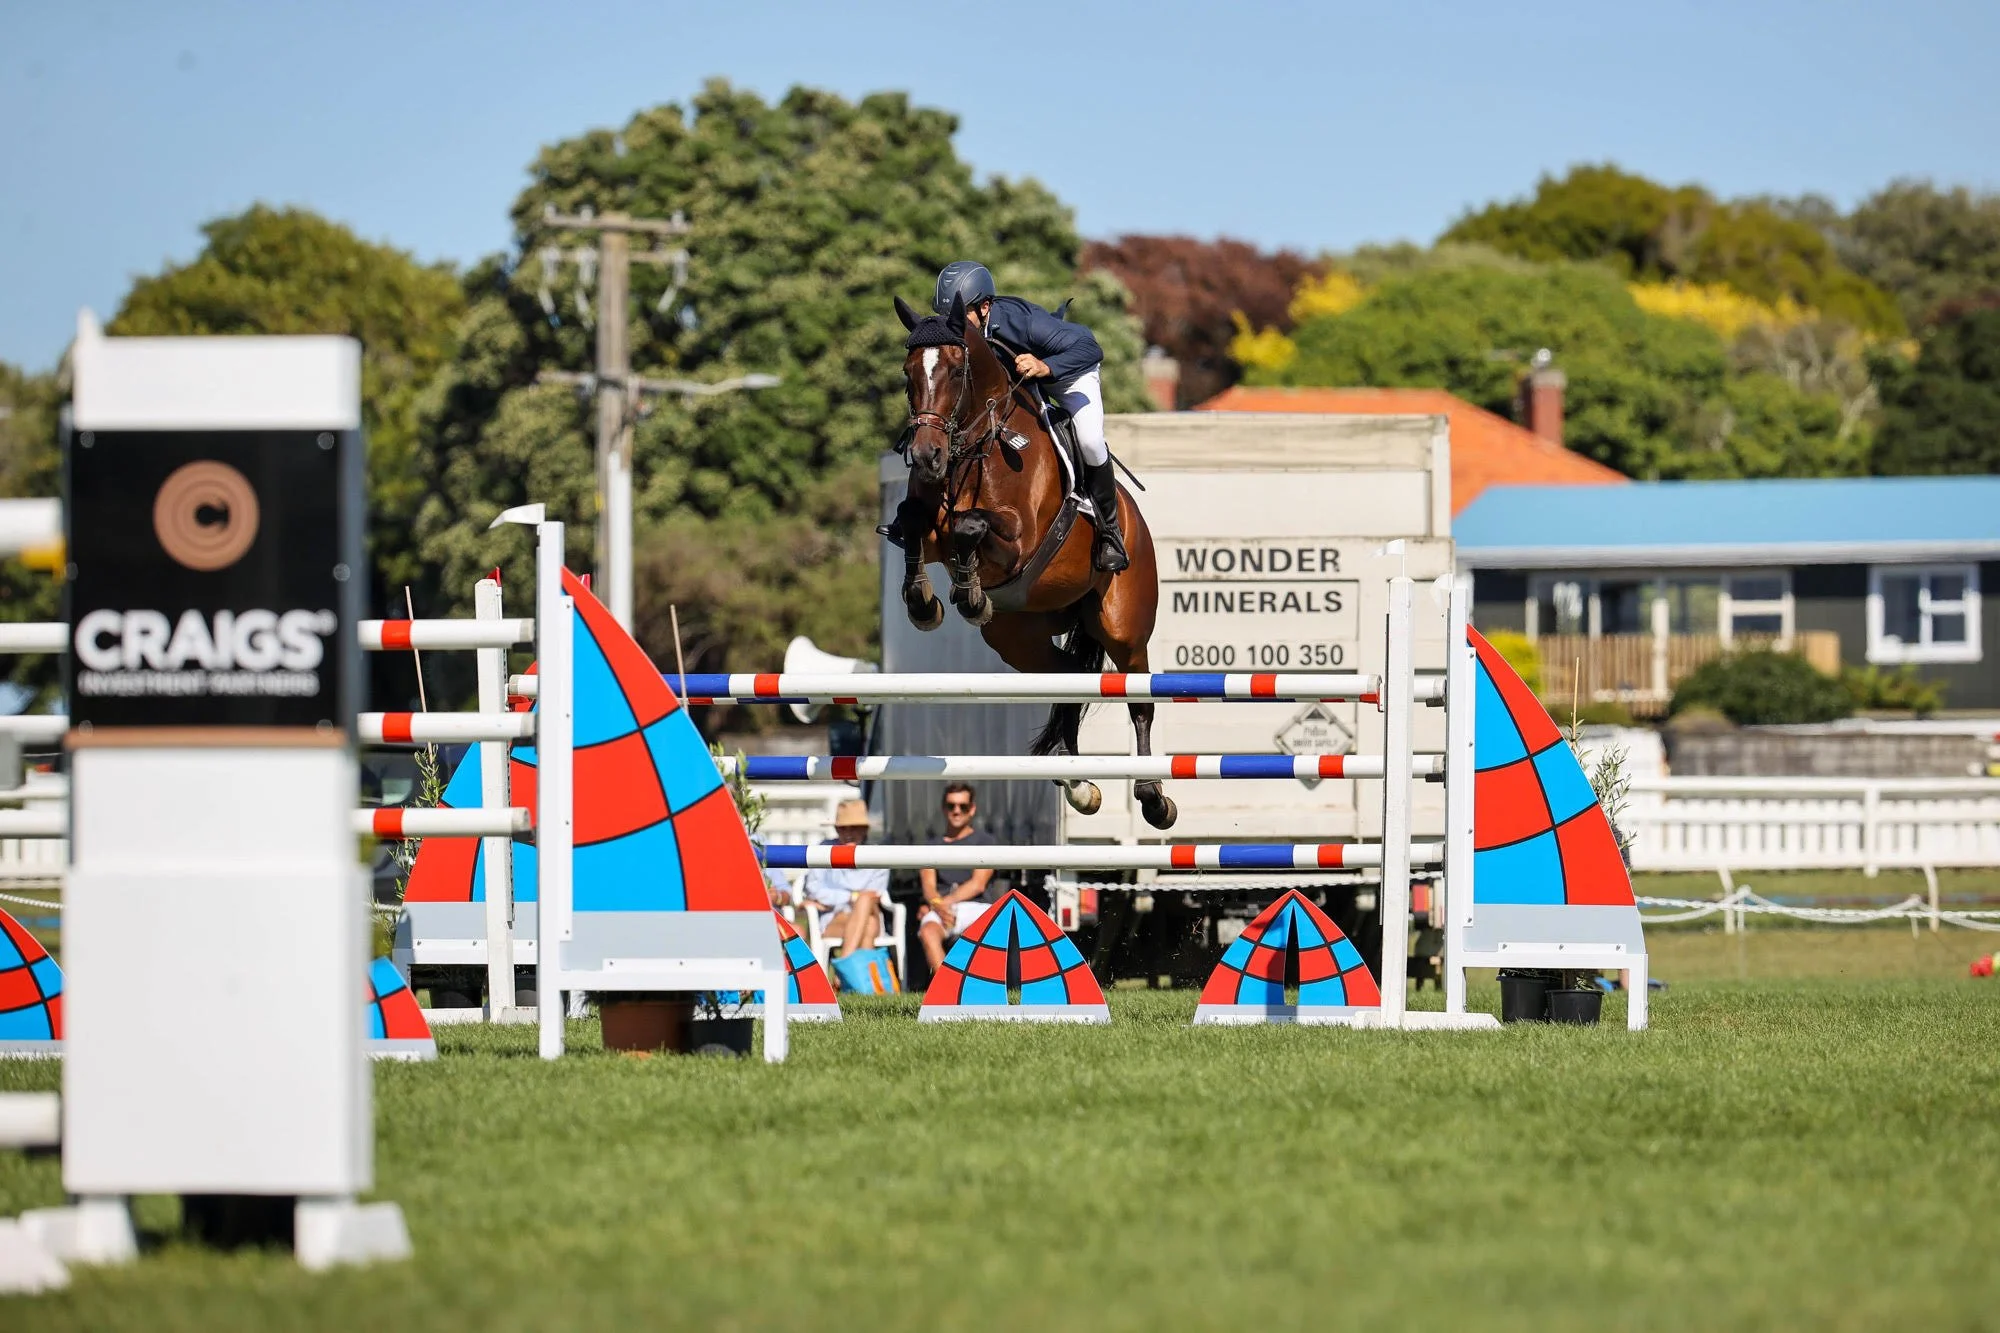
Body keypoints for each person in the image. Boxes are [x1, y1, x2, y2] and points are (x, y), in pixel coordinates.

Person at [913, 261, 1129, 573]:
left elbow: (1091, 349)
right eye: (948, 317)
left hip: (1068, 373)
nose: (953, 326)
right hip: (1022, 379)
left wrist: (1046, 367)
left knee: (1091, 441)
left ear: (985, 307)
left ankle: (1110, 532)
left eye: (961, 317)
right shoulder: (962, 338)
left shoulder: (1023, 324)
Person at [917, 783, 1000, 973]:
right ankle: (947, 990)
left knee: (983, 931)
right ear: (943, 809)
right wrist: (938, 905)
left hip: (976, 906)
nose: (956, 811)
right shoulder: (930, 846)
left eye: (962, 806)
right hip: (941, 907)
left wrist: (941, 904)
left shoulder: (985, 842)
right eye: (951, 806)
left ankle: (975, 988)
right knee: (928, 931)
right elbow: (928, 887)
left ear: (972, 809)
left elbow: (978, 885)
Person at [796, 798, 888, 962]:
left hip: (844, 913)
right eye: (843, 828)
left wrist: (832, 897)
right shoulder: (824, 849)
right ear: (836, 829)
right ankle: (854, 981)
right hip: (835, 919)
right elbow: (813, 889)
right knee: (869, 921)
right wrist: (853, 897)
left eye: (855, 828)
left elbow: (876, 895)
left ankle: (845, 971)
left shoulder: (877, 853)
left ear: (865, 829)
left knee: (867, 903)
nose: (849, 833)